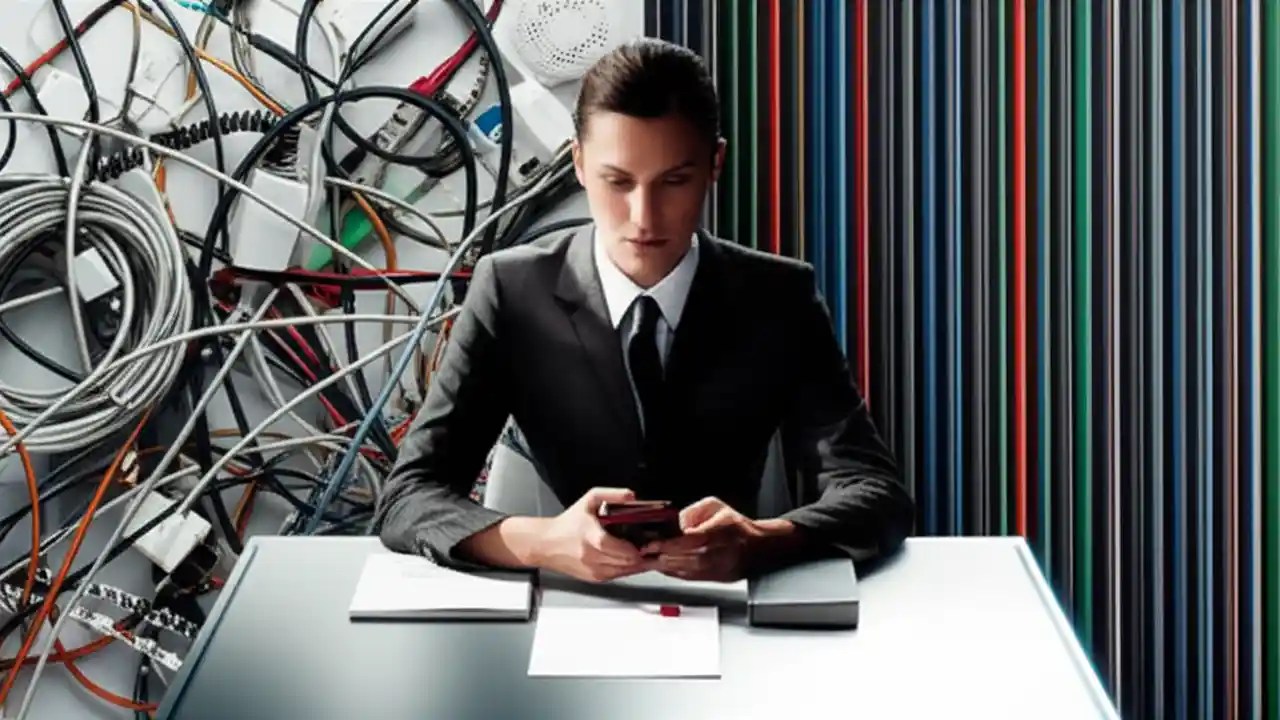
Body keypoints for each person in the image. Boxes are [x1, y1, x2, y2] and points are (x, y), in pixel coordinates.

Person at [374, 37, 913, 584]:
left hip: (730, 607)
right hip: (570, 604)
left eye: (674, 182)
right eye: (618, 182)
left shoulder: (779, 296)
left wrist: (762, 542)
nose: (643, 218)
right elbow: (408, 497)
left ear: (715, 163)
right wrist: (543, 541)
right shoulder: (510, 290)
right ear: (578, 164)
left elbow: (876, 492)